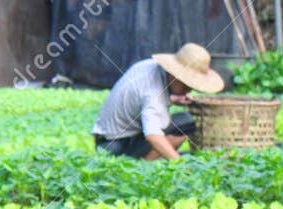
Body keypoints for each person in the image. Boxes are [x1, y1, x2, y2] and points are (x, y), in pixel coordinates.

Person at [92, 43, 226, 160]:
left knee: (185, 121)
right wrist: (178, 163)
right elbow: (153, 135)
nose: (188, 90)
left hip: (107, 139)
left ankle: (154, 158)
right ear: (174, 74)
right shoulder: (153, 93)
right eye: (185, 85)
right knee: (183, 126)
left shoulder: (149, 67)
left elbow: (143, 102)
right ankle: (143, 165)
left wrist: (174, 99)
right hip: (114, 147)